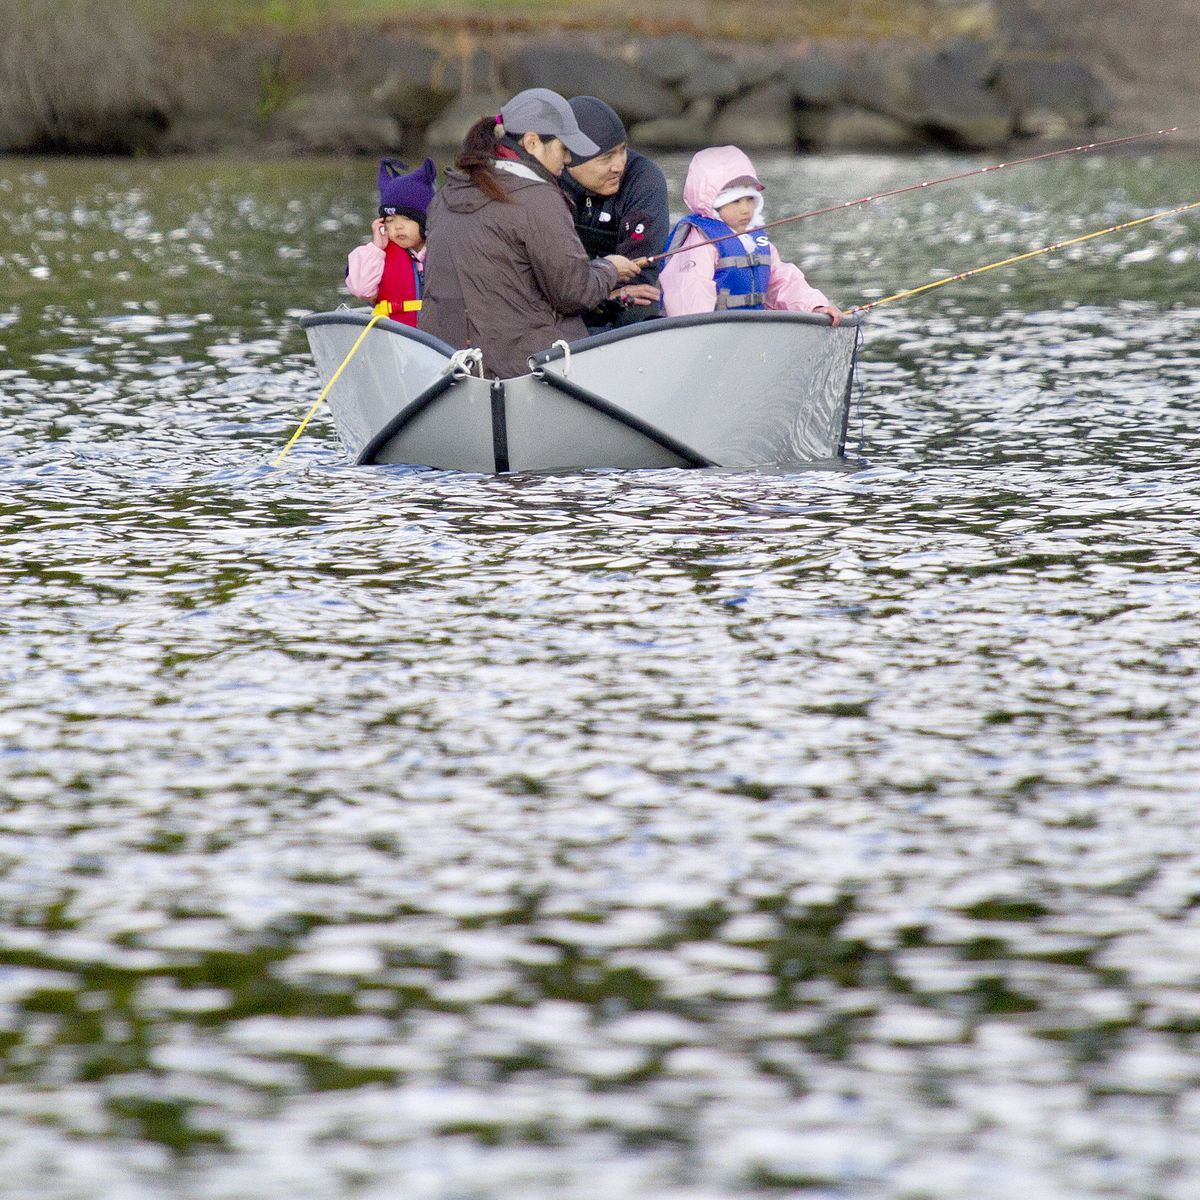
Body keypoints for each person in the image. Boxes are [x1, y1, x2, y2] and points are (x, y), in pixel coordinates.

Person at [419, 87, 642, 379]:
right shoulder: (538, 198)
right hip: (523, 373)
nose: (567, 161)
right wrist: (609, 269)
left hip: (448, 370)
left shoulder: (446, 193)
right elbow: (574, 293)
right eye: (564, 149)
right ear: (532, 142)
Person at [659, 145, 843, 325]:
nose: (746, 209)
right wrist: (699, 333)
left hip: (749, 334)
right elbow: (689, 290)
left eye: (750, 200)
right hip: (710, 335)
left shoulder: (757, 240)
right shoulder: (699, 240)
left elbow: (782, 282)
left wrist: (815, 306)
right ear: (713, 204)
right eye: (736, 201)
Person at [561, 96, 670, 332]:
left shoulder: (645, 180)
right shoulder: (549, 183)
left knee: (642, 302)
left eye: (622, 150)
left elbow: (640, 274)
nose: (619, 165)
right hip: (569, 294)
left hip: (629, 293)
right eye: (606, 158)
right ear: (569, 159)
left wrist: (613, 295)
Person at [345, 157, 437, 328]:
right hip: (394, 341)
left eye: (407, 218)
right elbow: (361, 289)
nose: (398, 227)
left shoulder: (444, 252)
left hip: (436, 342)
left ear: (426, 221)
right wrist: (376, 248)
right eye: (390, 220)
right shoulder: (375, 256)